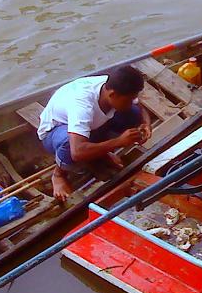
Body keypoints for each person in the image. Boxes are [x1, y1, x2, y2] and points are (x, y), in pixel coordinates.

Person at [38, 65, 150, 201]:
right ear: (112, 95)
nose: (131, 102)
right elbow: (77, 151)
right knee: (69, 143)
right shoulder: (82, 105)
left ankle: (100, 152)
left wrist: (146, 124)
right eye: (128, 99)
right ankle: (58, 174)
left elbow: (139, 105)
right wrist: (118, 142)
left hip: (91, 126)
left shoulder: (112, 86)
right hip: (56, 132)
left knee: (134, 114)